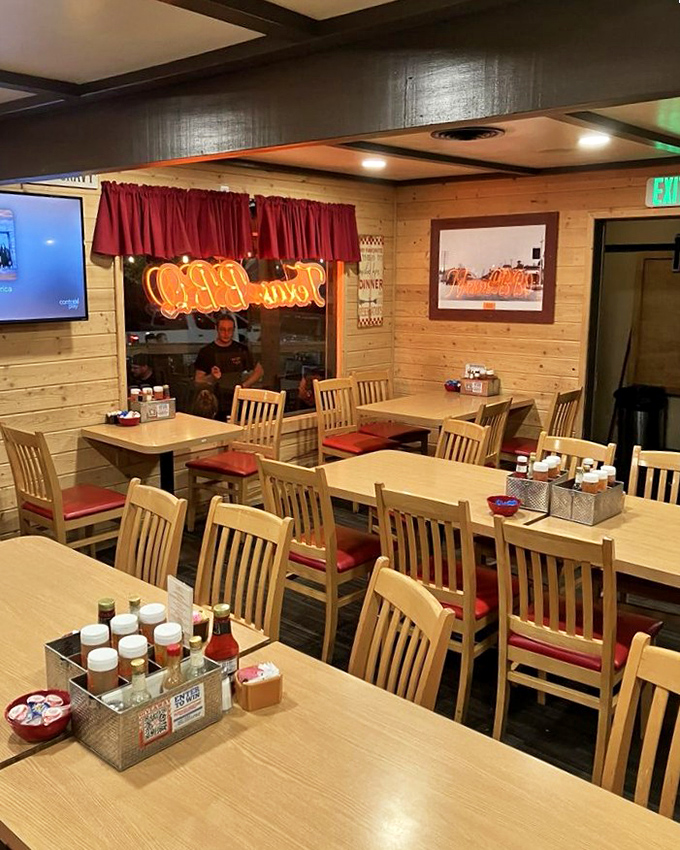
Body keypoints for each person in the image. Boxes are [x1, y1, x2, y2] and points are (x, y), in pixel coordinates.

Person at [194, 315, 263, 420]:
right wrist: (212, 377)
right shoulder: (206, 352)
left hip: (238, 400)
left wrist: (243, 386)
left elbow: (259, 371)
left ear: (234, 330)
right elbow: (198, 381)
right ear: (216, 329)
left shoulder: (241, 349)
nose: (226, 333)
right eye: (223, 329)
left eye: (229, 330)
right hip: (216, 403)